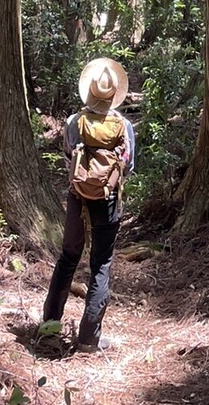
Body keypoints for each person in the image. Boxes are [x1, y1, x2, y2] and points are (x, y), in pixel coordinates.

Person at [40, 56, 136, 353]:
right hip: (108, 200)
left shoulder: (74, 122)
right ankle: (88, 338)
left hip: (77, 198)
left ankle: (49, 330)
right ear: (113, 95)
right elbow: (129, 166)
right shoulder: (124, 126)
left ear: (90, 91)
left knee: (68, 258)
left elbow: (70, 158)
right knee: (101, 265)